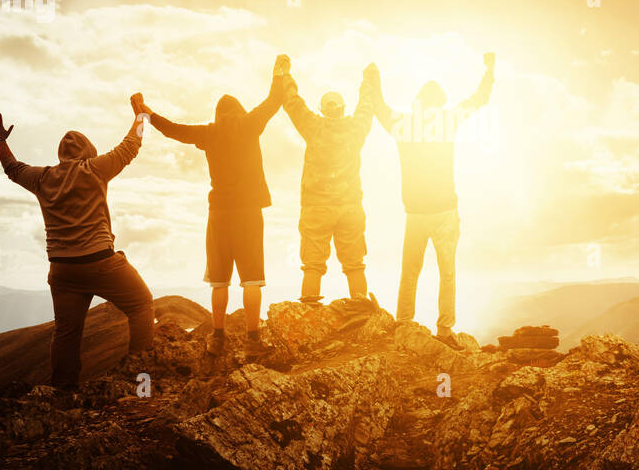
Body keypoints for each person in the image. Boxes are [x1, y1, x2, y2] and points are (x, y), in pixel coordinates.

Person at [0, 98, 153, 390]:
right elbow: (131, 145)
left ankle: (62, 393)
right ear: (88, 150)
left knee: (66, 334)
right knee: (141, 304)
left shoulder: (42, 178)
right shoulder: (95, 168)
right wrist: (141, 116)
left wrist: (0, 140)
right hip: (101, 263)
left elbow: (12, 168)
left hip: (62, 271)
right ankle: (140, 381)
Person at [133, 56, 289, 356]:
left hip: (218, 214)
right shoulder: (249, 124)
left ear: (218, 115)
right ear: (240, 111)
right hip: (248, 212)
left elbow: (173, 130)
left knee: (219, 281)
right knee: (252, 279)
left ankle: (217, 339)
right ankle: (253, 341)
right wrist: (279, 75)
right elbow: (274, 101)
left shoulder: (209, 132)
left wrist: (146, 113)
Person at [369, 52, 495, 336]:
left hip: (415, 213)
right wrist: (489, 70)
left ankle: (404, 322)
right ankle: (444, 329)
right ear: (441, 103)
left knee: (410, 270)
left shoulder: (404, 123)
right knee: (447, 272)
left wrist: (374, 79)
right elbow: (478, 99)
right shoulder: (448, 120)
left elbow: (379, 107)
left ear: (418, 102)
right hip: (445, 211)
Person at [277, 62, 379, 303]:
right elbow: (366, 106)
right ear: (343, 109)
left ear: (322, 110)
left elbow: (293, 103)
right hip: (350, 207)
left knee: (312, 266)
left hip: (316, 208)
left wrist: (284, 74)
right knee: (355, 265)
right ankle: (360, 309)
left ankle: (311, 312)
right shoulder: (355, 128)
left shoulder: (313, 126)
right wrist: (368, 81)